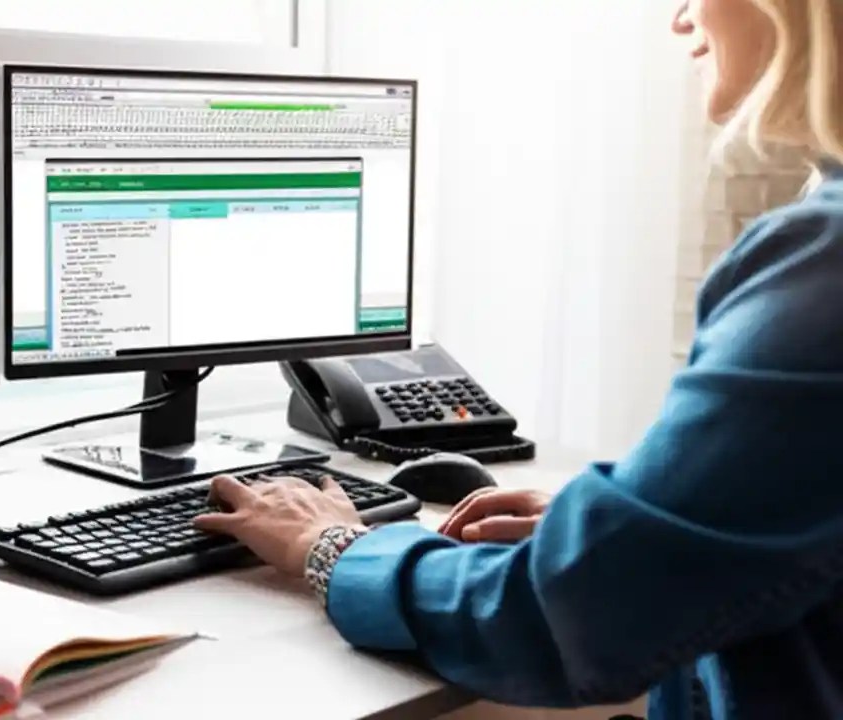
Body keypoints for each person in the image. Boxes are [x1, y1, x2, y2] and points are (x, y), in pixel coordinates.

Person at [192, 1, 843, 717]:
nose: (682, 19)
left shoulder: (823, 271)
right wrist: (635, 527)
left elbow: (574, 617)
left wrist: (328, 546)